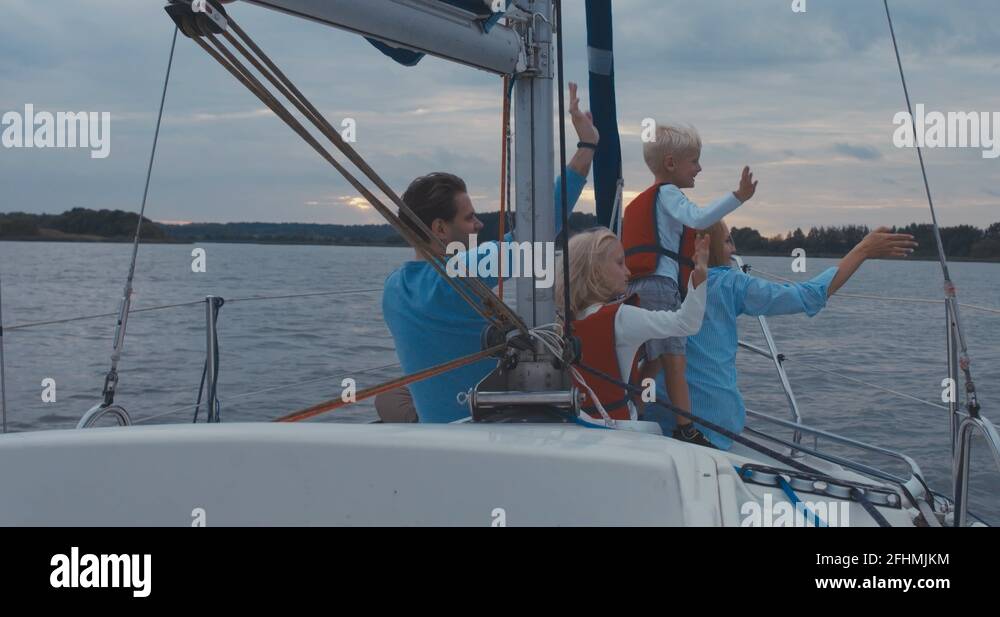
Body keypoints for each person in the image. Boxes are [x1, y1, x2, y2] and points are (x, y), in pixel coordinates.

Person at [381, 82, 599, 423]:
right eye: (468, 219)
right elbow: (542, 225)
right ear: (439, 228)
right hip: (487, 433)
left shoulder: (392, 288)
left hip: (439, 433)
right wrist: (587, 146)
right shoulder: (459, 275)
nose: (479, 225)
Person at [662, 219, 918, 449]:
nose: (734, 250)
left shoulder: (664, 285)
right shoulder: (730, 283)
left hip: (661, 417)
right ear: (705, 245)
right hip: (710, 428)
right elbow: (809, 295)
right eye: (728, 241)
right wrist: (862, 251)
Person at [621, 122, 757, 444]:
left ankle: (631, 411)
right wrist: (737, 197)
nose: (699, 168)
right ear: (671, 164)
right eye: (694, 161)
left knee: (653, 360)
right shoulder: (669, 193)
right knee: (675, 359)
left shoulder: (646, 200)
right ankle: (687, 428)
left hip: (640, 285)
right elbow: (698, 219)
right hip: (660, 285)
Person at [554, 227, 709, 423]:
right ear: (595, 270)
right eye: (620, 263)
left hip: (577, 424)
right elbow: (688, 323)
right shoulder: (622, 318)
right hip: (618, 428)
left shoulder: (562, 323)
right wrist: (699, 276)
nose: (628, 271)